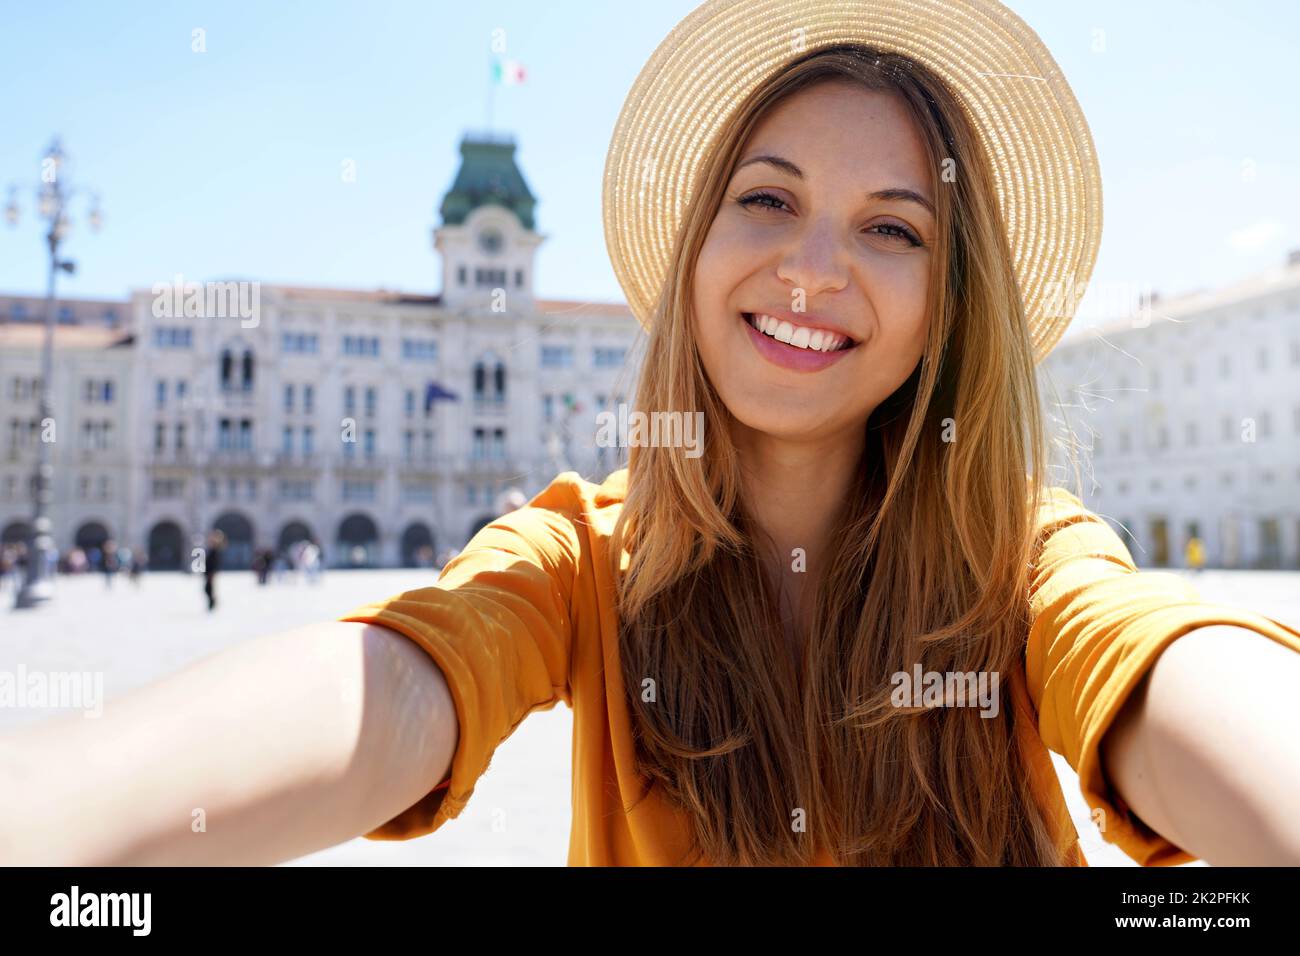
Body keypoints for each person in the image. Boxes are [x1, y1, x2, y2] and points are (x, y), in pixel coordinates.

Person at [2, 0, 1299, 867]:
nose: (810, 265)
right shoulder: (578, 559)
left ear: (944, 313)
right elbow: (400, 685)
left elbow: (1160, 668)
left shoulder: (1020, 558)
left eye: (894, 227)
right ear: (694, 256)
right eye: (765, 197)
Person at [203, 530, 225, 612]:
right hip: (208, 572)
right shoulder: (212, 550)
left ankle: (212, 603)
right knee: (207, 589)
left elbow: (215, 563)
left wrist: (212, 573)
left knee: (208, 589)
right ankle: (212, 603)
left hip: (210, 572)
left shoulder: (215, 551)